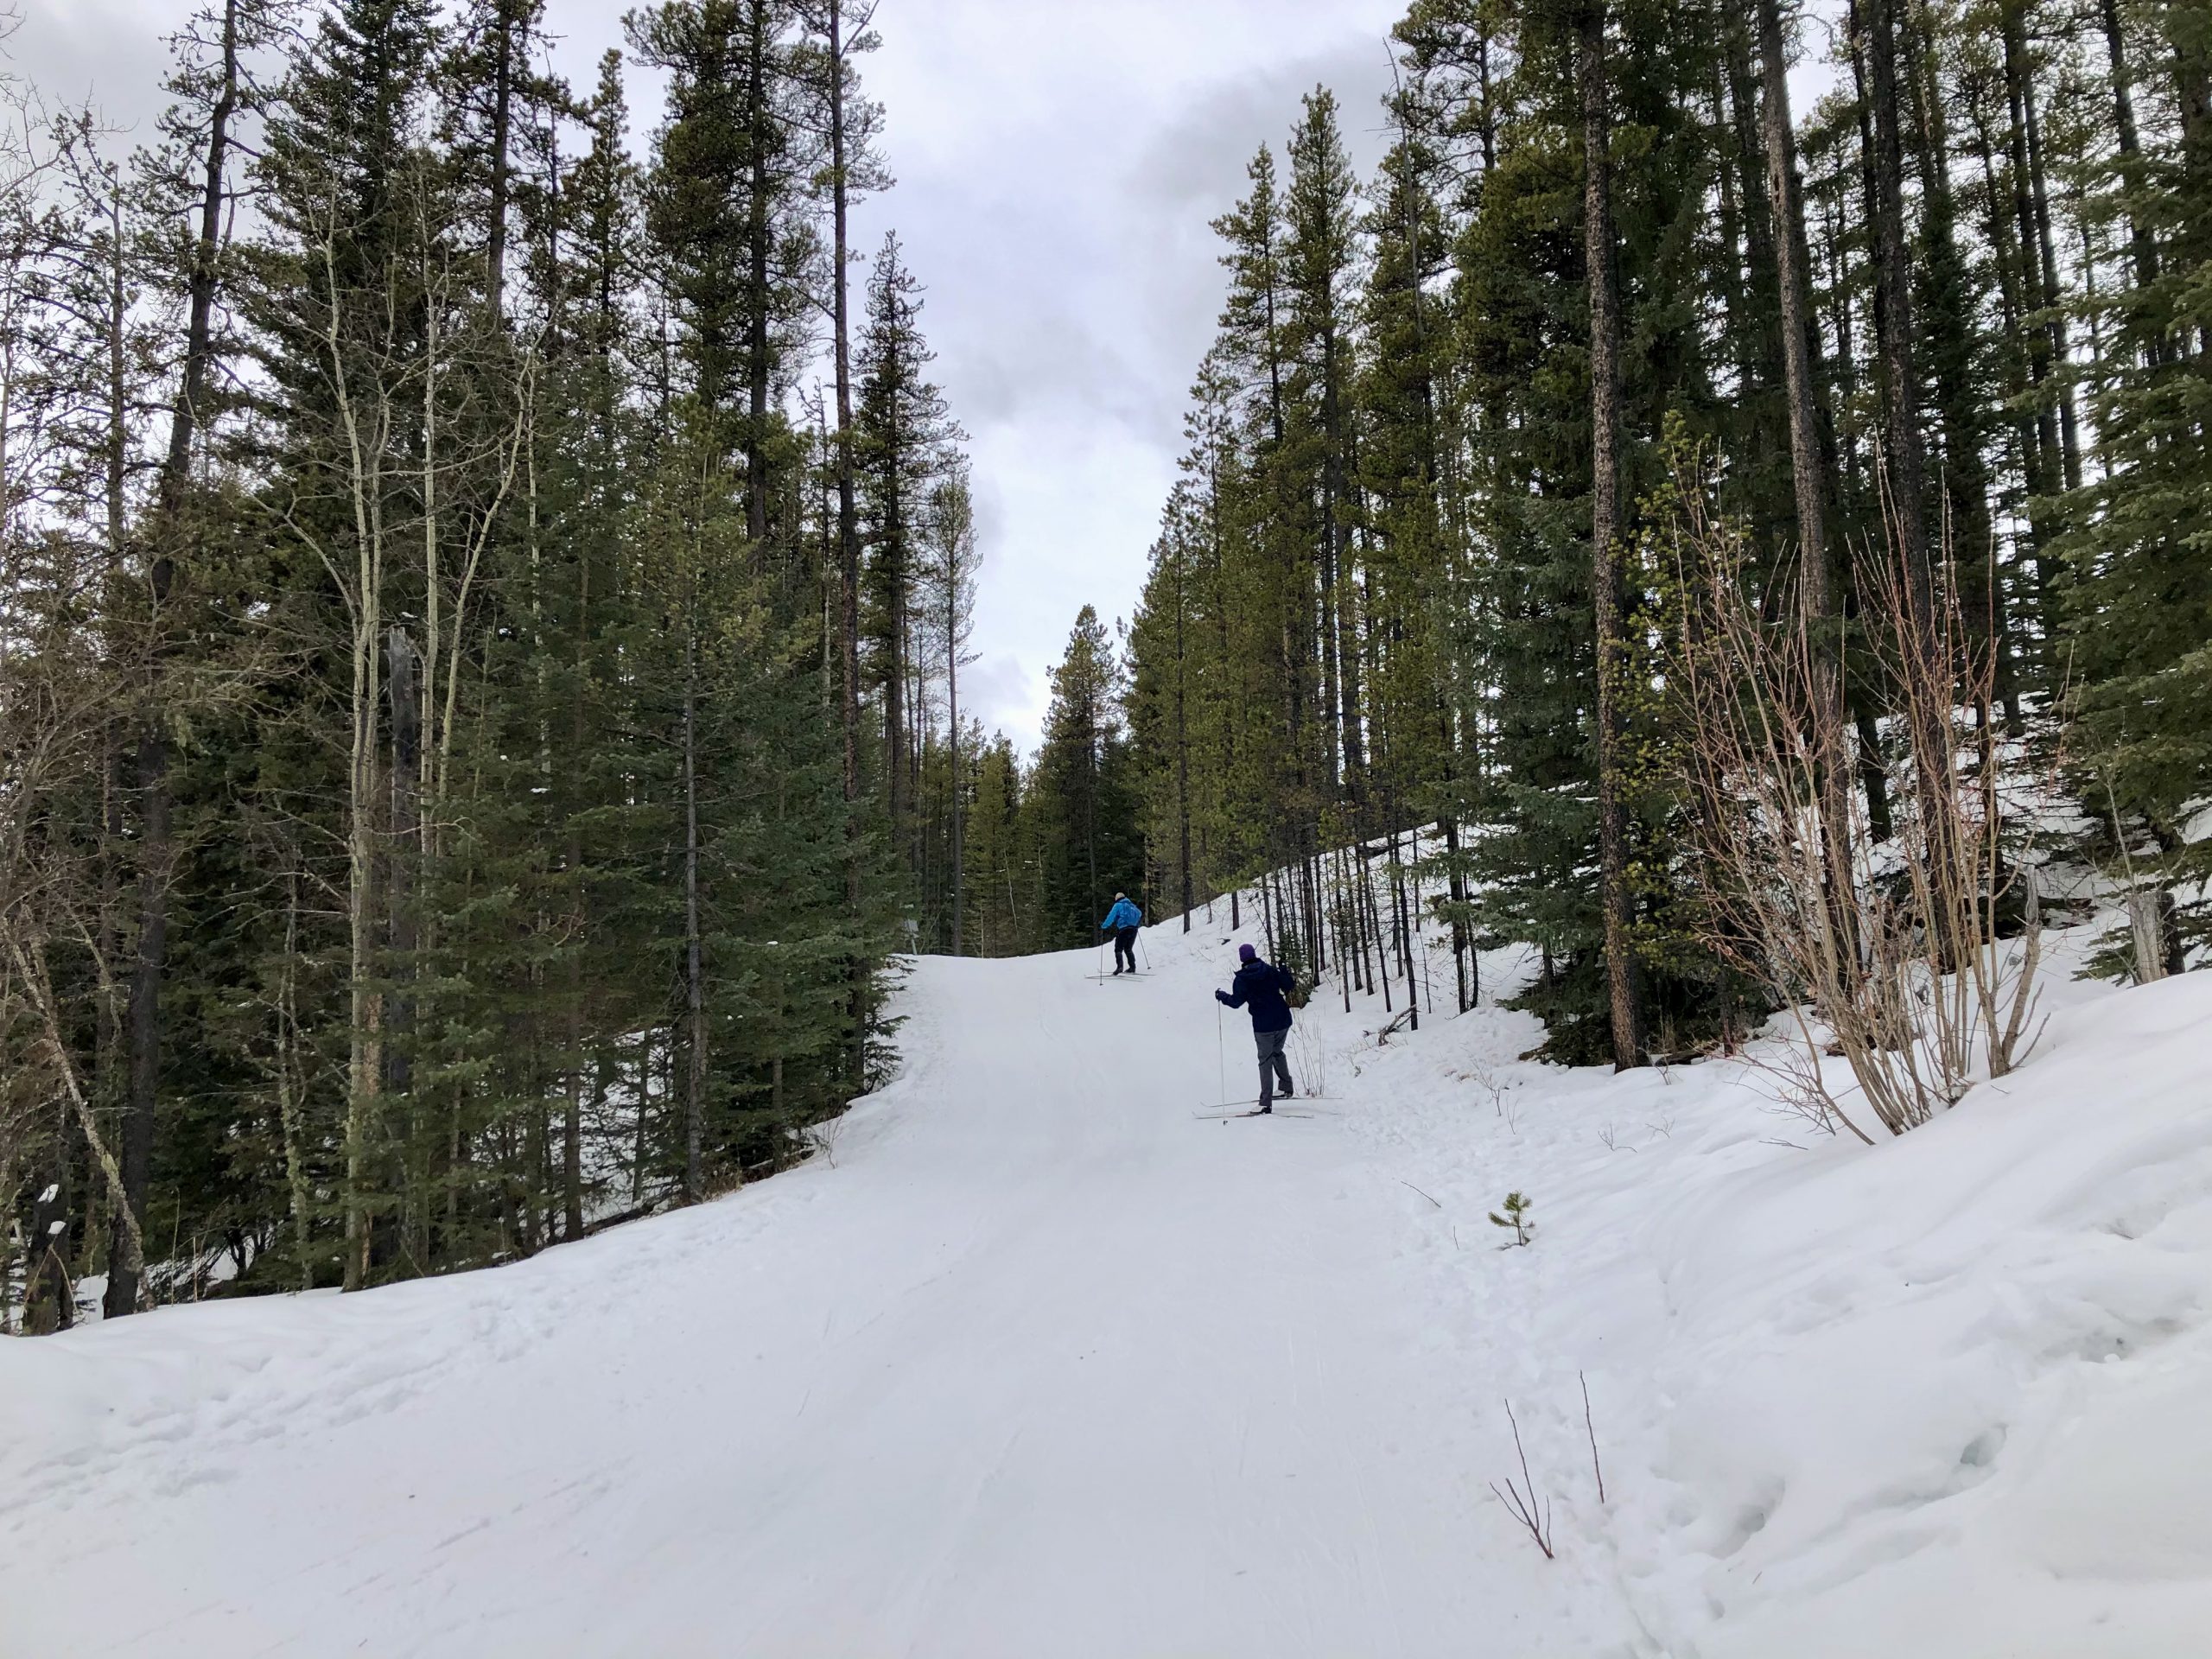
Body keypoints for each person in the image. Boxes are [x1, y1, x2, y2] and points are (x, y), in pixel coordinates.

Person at [1215, 944, 1297, 1112]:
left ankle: (1265, 1103)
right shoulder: (1269, 970)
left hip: (1263, 1025)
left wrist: (1222, 996)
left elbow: (1236, 1002)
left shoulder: (1242, 979)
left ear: (1241, 959)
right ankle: (1286, 1087)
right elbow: (1289, 986)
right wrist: (1284, 971)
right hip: (1282, 1019)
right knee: (1277, 1052)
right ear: (1254, 954)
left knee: (1265, 1060)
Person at [1100, 893, 1143, 975]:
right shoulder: (1132, 906)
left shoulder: (1118, 905)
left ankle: (1120, 967)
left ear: (1117, 899)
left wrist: (1104, 926)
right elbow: (1140, 913)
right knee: (1128, 949)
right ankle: (1132, 967)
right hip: (1134, 929)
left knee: (1118, 949)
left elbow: (1111, 916)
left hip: (1124, 929)